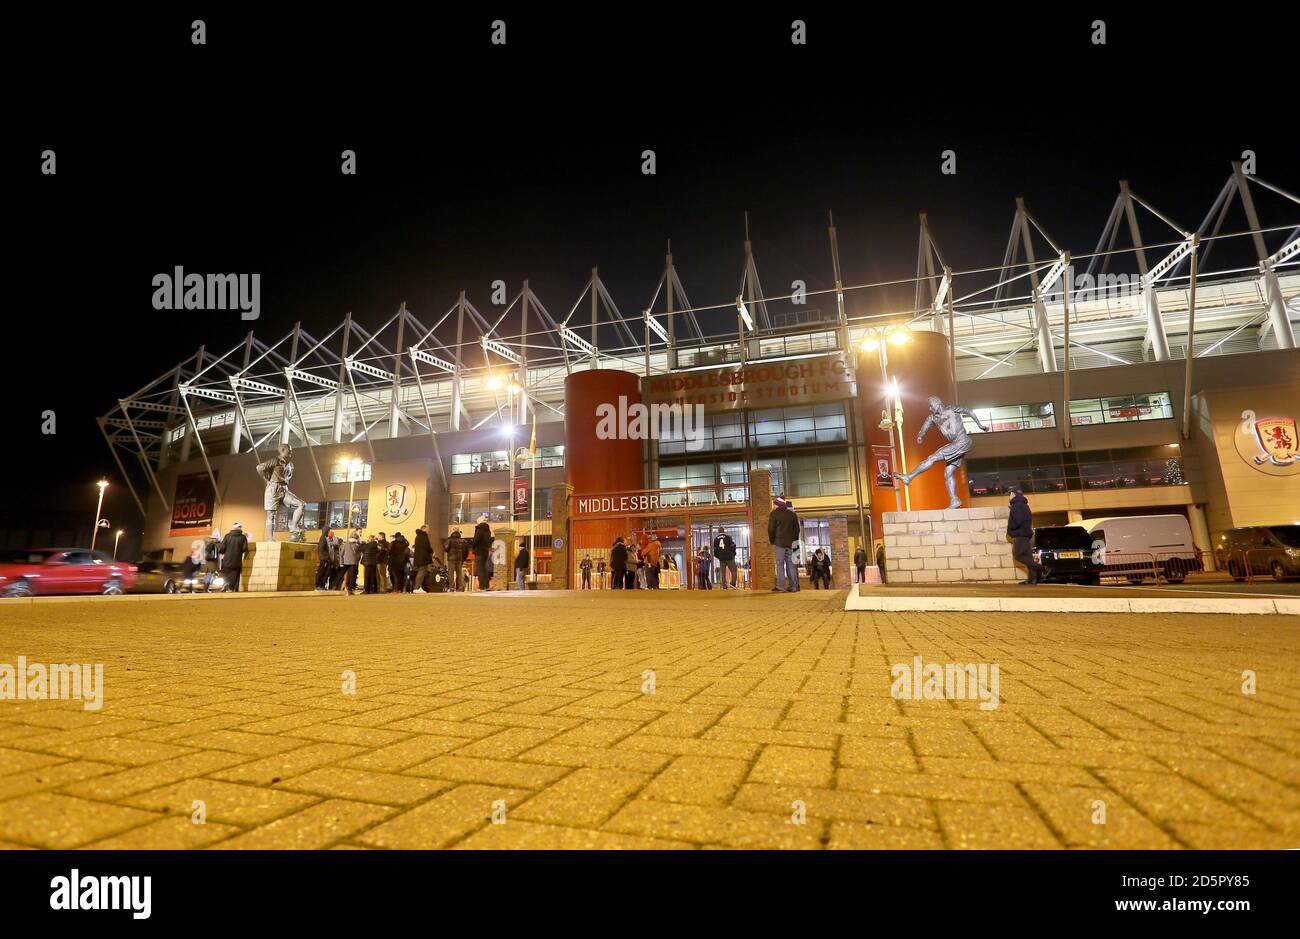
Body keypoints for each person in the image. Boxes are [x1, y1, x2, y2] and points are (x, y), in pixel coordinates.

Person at [892, 396, 990, 510]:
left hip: (962, 441)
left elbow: (969, 411)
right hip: (957, 444)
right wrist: (920, 436)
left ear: (937, 403)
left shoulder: (952, 409)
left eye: (931, 405)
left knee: (932, 458)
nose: (930, 408)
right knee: (948, 472)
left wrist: (980, 425)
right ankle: (955, 500)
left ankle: (909, 477)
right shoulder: (933, 418)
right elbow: (925, 427)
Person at [1007, 485, 1043, 585]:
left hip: (1019, 535)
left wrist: (1010, 528)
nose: (1009, 496)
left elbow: (1017, 521)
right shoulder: (1024, 505)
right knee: (1028, 557)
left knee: (1018, 556)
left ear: (1013, 494)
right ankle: (1032, 579)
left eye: (1009, 494)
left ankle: (1042, 568)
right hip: (1026, 534)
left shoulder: (1016, 505)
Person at [768, 496, 801, 592]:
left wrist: (772, 540)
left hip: (779, 543)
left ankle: (780, 586)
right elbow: (797, 530)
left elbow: (771, 529)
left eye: (774, 504)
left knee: (780, 565)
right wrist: (793, 540)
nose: (773, 506)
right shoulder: (792, 515)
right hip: (791, 543)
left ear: (777, 504)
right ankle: (793, 586)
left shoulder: (774, 514)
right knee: (790, 564)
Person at [219, 523, 248, 592]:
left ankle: (225, 584)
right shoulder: (243, 537)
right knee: (235, 575)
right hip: (236, 560)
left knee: (226, 574)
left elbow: (222, 548)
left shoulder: (227, 536)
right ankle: (231, 588)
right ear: (240, 528)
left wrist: (223, 552)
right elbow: (245, 549)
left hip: (227, 560)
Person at [472, 516, 493, 590]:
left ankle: (482, 586)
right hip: (485, 552)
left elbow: (476, 540)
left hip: (479, 551)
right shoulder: (488, 531)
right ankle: (486, 585)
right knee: (484, 569)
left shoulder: (479, 529)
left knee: (480, 569)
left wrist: (473, 544)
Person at [413, 525, 434, 593]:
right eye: (428, 529)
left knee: (421, 572)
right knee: (422, 571)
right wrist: (431, 551)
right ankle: (417, 587)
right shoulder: (424, 536)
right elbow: (427, 546)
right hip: (423, 557)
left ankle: (419, 587)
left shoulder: (418, 536)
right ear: (424, 529)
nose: (428, 530)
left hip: (418, 557)